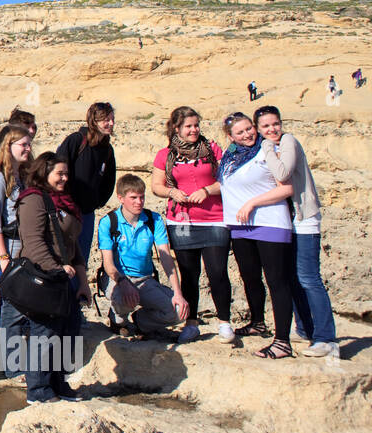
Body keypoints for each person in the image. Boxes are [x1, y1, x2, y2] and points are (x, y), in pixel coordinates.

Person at [4, 152, 90, 402]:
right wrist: (56, 269)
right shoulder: (33, 199)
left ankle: (58, 382)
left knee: (68, 330)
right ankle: (38, 390)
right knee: (46, 333)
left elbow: (72, 245)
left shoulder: (66, 202)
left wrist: (83, 282)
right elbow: (33, 241)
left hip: (65, 277)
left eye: (66, 173)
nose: (64, 178)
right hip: (43, 277)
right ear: (44, 173)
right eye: (59, 174)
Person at [256, 106, 338, 357]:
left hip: (304, 220)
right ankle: (305, 329)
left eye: (275, 124)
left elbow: (283, 172)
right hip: (287, 221)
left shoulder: (287, 141)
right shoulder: (272, 147)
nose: (272, 130)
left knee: (309, 278)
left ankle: (327, 338)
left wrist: (267, 146)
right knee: (291, 277)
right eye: (266, 126)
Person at [219, 112, 297, 358]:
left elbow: (286, 187)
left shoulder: (267, 150)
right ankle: (257, 322)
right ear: (230, 137)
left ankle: (283, 341)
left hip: (269, 222)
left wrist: (252, 203)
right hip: (240, 226)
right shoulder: (229, 156)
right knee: (250, 276)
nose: (247, 135)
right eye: (239, 132)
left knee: (276, 281)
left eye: (248, 129)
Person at [151, 106, 231, 342]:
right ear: (176, 128)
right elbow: (156, 186)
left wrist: (207, 190)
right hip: (182, 221)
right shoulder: (165, 155)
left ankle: (224, 322)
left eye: (196, 125)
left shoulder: (213, 149)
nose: (194, 130)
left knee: (217, 272)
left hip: (214, 218)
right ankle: (191, 322)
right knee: (189, 273)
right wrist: (171, 192)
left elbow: (227, 180)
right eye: (188, 126)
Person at [99, 175, 189, 339]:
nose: (139, 202)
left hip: (145, 279)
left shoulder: (153, 220)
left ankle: (142, 322)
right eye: (133, 197)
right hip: (118, 278)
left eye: (141, 197)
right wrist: (123, 282)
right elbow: (108, 265)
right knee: (124, 297)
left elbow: (166, 257)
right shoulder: (109, 222)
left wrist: (178, 293)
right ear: (121, 198)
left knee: (179, 312)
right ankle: (118, 320)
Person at [55, 102, 117, 293]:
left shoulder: (106, 148)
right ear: (94, 121)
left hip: (87, 213)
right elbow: (57, 167)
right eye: (106, 120)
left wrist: (96, 202)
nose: (111, 123)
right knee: (62, 256)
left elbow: (109, 180)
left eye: (112, 119)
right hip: (65, 210)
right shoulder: (77, 140)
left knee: (80, 258)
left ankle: (75, 304)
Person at [0, 123, 32, 343]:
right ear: (8, 146)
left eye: (29, 144)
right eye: (23, 144)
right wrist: (3, 258)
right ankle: (11, 364)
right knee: (11, 308)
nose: (28, 149)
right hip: (8, 248)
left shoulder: (22, 176)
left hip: (25, 248)